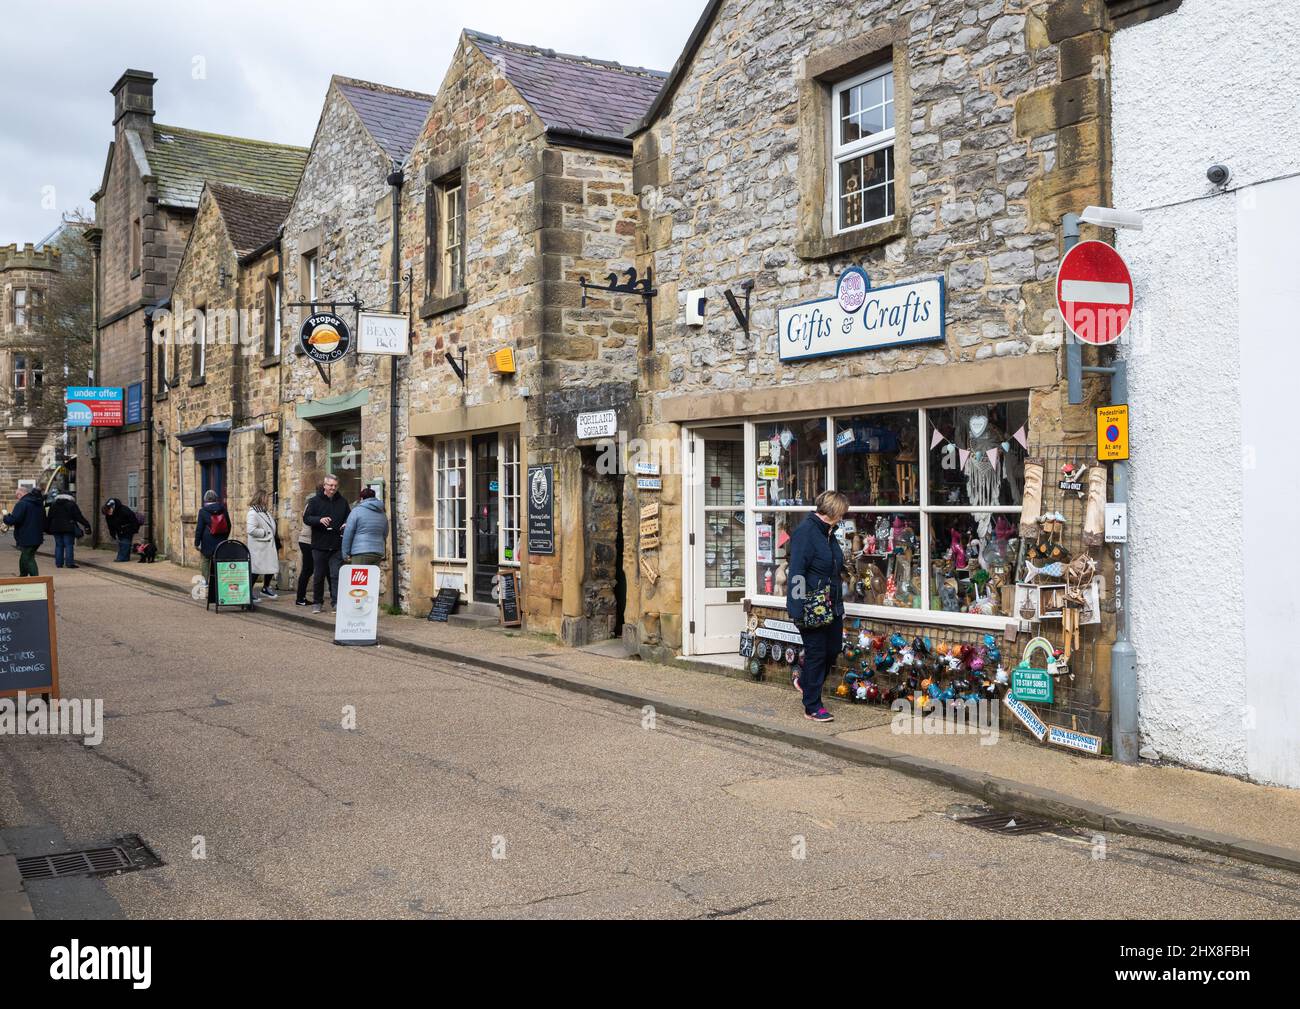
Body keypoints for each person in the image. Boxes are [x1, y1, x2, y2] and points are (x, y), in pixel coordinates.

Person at [786, 490, 848, 724]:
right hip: (811, 605)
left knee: (833, 649)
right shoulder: (806, 532)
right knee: (817, 653)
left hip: (832, 605)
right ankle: (812, 706)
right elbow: (797, 572)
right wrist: (796, 606)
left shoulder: (829, 533)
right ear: (832, 512)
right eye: (841, 513)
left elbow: (834, 566)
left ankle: (803, 680)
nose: (843, 518)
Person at [303, 474, 349, 614]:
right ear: (324, 485)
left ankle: (336, 602)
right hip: (319, 545)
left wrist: (347, 523)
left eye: (335, 486)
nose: (333, 488)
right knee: (319, 575)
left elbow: (349, 516)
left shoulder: (342, 501)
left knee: (336, 575)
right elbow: (307, 518)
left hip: (336, 544)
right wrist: (319, 520)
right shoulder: (314, 501)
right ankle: (317, 603)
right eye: (330, 485)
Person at [3, 485, 47, 577]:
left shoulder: (22, 503)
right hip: (37, 535)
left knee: (27, 558)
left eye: (17, 496)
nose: (17, 498)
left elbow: (15, 519)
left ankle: (35, 579)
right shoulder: (38, 503)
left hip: (27, 535)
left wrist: (6, 517)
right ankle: (23, 576)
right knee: (26, 556)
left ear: (20, 494)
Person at [45, 490, 92, 568]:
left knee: (58, 545)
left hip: (56, 528)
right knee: (69, 545)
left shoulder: (53, 504)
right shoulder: (71, 504)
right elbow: (78, 517)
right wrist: (86, 524)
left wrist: (47, 528)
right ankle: (69, 563)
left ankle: (59, 564)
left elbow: (49, 517)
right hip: (68, 527)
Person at [246, 491, 280, 599]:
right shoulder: (253, 512)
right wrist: (265, 533)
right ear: (260, 498)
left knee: (270, 568)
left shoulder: (265, 511)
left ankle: (265, 588)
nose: (268, 500)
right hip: (259, 546)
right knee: (256, 571)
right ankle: (248, 592)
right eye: (266, 498)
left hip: (268, 545)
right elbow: (251, 530)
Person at [342, 487, 388, 566]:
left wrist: (345, 553)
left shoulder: (356, 511)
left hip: (360, 552)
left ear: (362, 498)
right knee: (372, 577)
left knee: (359, 578)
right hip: (377, 552)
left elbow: (348, 533)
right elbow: (385, 533)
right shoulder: (382, 513)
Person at [194, 490, 230, 582]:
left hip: (207, 540)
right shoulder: (223, 509)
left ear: (205, 500)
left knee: (206, 560)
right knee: (219, 561)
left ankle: (205, 581)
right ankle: (220, 582)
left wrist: (197, 543)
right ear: (216, 498)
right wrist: (225, 537)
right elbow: (229, 525)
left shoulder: (202, 511)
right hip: (221, 540)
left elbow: (199, 528)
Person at [294, 492, 317, 607]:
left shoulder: (310, 505)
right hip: (307, 541)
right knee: (307, 570)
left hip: (307, 540)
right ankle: (300, 598)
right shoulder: (313, 505)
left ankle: (301, 597)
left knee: (309, 570)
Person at [103, 498, 141, 562]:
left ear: (111, 508)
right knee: (121, 543)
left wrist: (135, 528)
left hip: (128, 528)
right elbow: (110, 525)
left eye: (109, 512)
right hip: (119, 530)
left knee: (125, 542)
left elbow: (133, 518)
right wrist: (112, 533)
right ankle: (125, 557)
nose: (109, 514)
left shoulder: (123, 509)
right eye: (108, 513)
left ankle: (122, 558)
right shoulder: (108, 516)